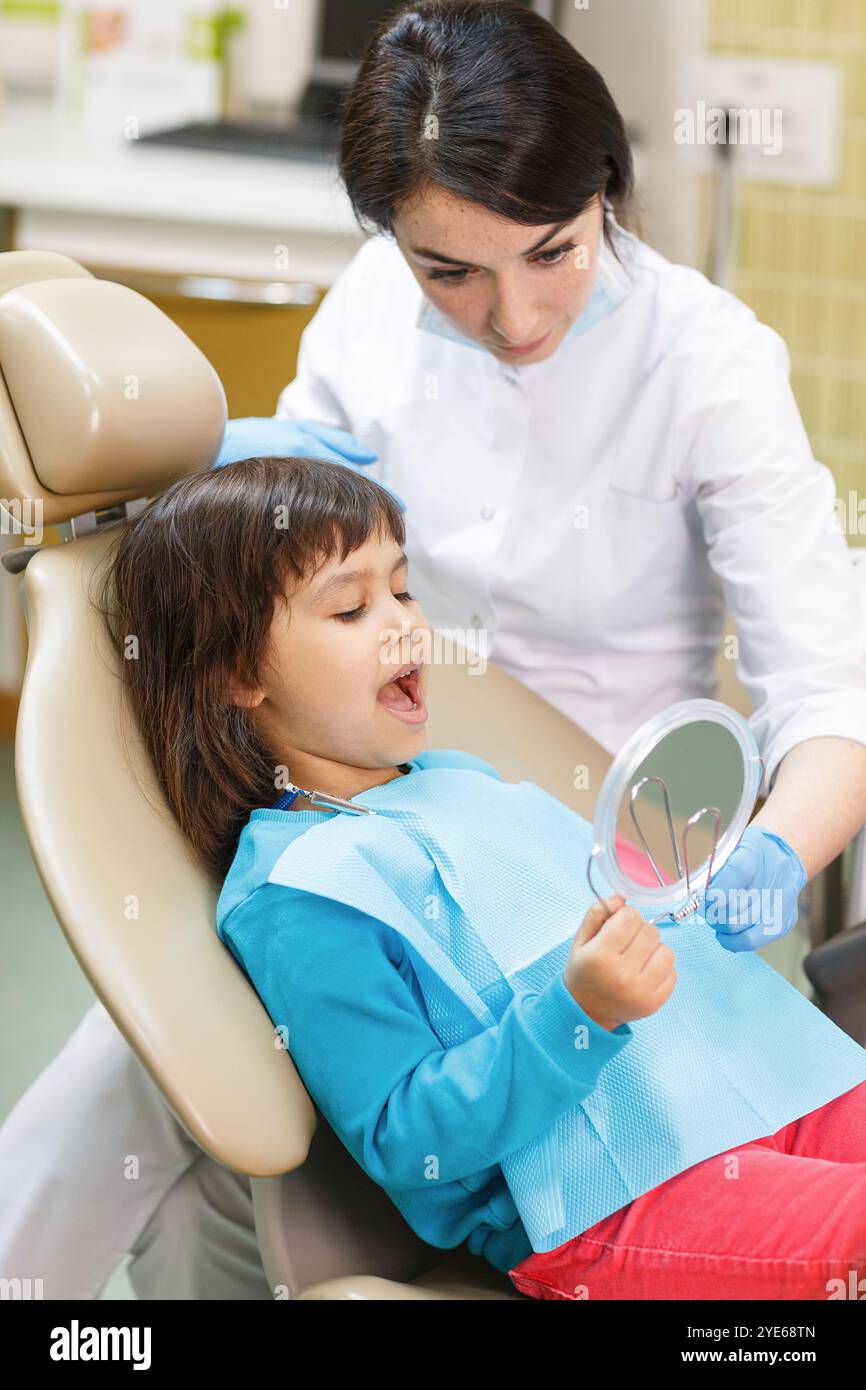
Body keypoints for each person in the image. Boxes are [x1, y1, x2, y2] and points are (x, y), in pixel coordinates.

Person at [3, 0, 865, 1298]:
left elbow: (827, 692)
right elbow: (275, 570)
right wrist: (255, 477)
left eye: (551, 253)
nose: (512, 315)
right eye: (447, 272)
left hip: (599, 841)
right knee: (161, 1079)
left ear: (603, 194)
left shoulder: (705, 364)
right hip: (385, 820)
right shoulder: (366, 315)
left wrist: (769, 856)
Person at [96, 454, 866, 1299]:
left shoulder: (457, 778)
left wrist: (706, 884)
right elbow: (404, 1137)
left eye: (402, 588)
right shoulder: (300, 891)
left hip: (774, 1084)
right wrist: (579, 1015)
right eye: (351, 608)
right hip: (620, 1197)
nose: (402, 624)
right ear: (236, 674)